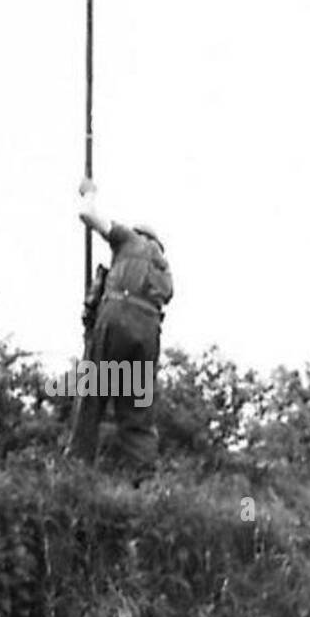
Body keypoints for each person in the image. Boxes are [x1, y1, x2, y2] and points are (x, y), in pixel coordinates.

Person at [66, 178, 174, 482]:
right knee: (138, 414)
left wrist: (89, 192)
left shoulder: (128, 240)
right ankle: (145, 485)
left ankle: (76, 476)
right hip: (149, 334)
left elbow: (87, 214)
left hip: (117, 319)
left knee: (91, 396)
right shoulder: (165, 272)